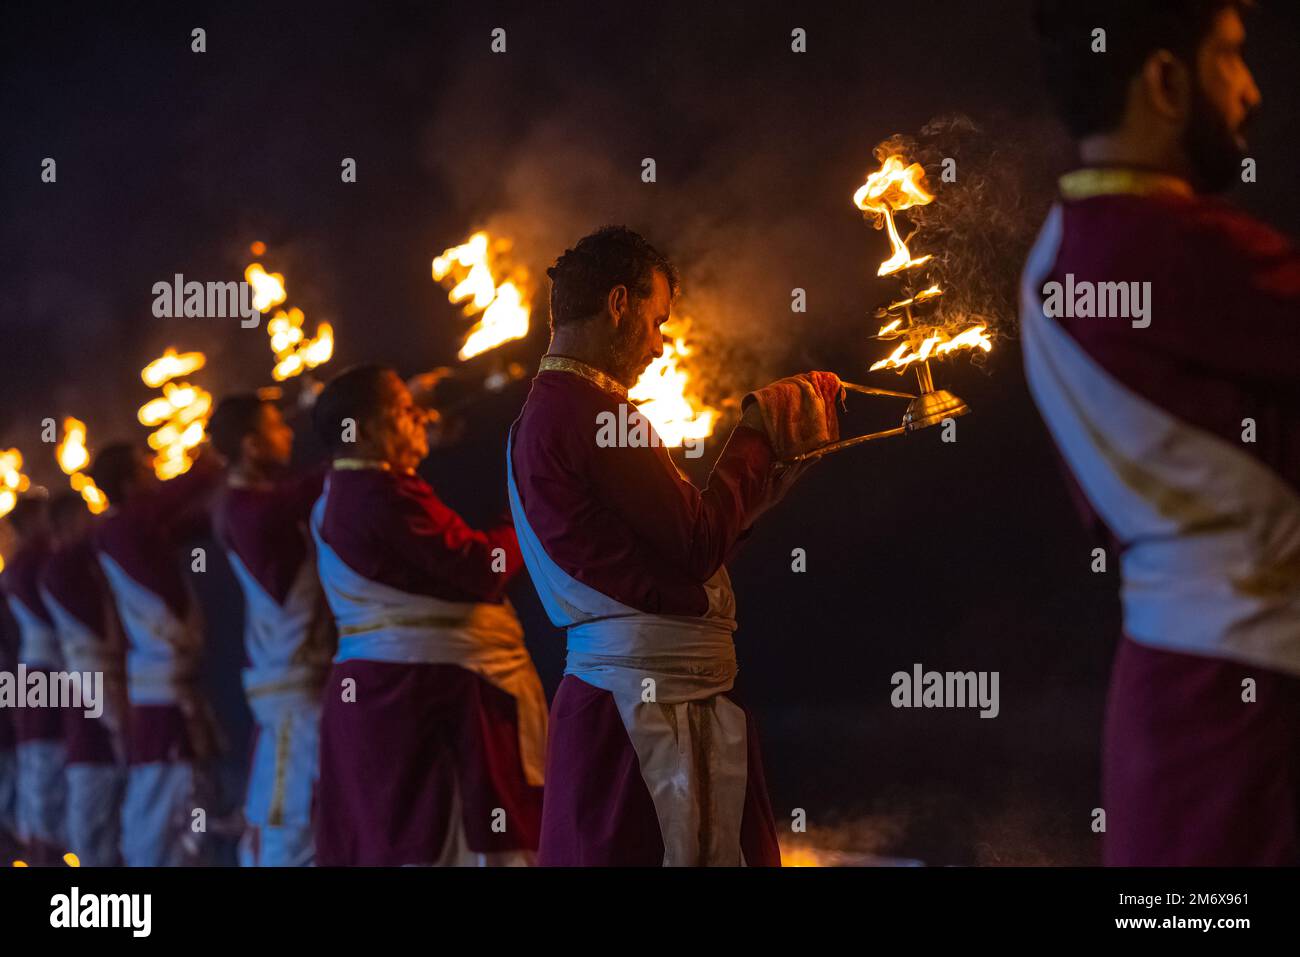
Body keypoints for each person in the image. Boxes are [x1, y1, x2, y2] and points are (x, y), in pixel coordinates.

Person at [1026, 1, 1299, 864]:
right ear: (1167, 80)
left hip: (1169, 703)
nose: (1251, 90)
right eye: (1230, 57)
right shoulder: (1181, 253)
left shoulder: (1053, 256)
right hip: (1250, 717)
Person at [509, 225, 839, 865]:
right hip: (644, 713)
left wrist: (758, 489)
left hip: (622, 702)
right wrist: (758, 434)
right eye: (658, 321)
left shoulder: (543, 413)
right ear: (617, 304)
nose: (660, 348)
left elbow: (670, 560)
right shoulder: (598, 415)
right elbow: (695, 544)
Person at [309, 364, 546, 865]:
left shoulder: (346, 485)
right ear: (368, 429)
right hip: (419, 700)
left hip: (389, 694)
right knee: (448, 841)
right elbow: (485, 568)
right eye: (407, 410)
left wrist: (416, 436)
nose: (425, 416)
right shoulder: (380, 493)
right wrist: (527, 500)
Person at [209, 394, 333, 866]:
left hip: (296, 692)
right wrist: (373, 432)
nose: (289, 433)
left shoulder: (249, 502)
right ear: (251, 445)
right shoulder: (250, 509)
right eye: (277, 427)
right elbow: (321, 480)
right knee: (289, 830)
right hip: (293, 703)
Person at [90, 443, 223, 866]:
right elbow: (172, 502)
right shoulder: (120, 529)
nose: (157, 472)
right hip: (159, 697)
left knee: (192, 793)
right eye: (147, 468)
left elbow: (197, 520)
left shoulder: (141, 529)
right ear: (130, 485)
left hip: (171, 686)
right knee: (163, 801)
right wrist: (204, 464)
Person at [39, 491, 127, 866]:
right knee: (92, 843)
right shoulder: (58, 567)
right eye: (82, 517)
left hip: (107, 704)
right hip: (91, 724)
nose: (90, 523)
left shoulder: (84, 562)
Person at [0, 496, 66, 864]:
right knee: (40, 782)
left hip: (22, 695)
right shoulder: (32, 566)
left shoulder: (17, 569)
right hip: (34, 685)